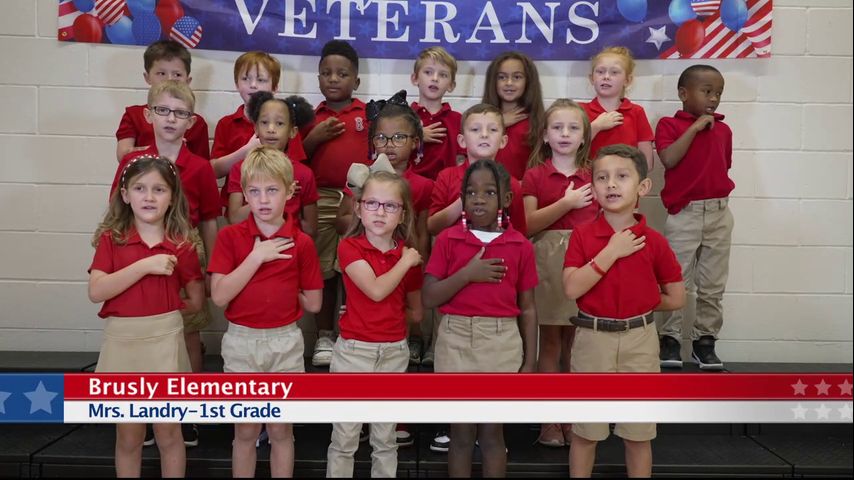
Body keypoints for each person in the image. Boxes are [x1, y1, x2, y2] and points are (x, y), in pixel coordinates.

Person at [562, 144, 685, 478]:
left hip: (639, 342)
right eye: (602, 178)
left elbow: (676, 297)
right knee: (586, 432)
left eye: (621, 177)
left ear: (642, 187)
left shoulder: (654, 241)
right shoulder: (583, 235)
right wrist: (612, 251)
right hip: (592, 340)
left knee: (638, 434)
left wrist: (637, 301)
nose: (611, 184)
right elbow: (572, 287)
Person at [110, 80, 219, 447]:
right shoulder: (132, 161)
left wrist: (212, 268)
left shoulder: (201, 167)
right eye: (163, 110)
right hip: (138, 250)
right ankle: (139, 411)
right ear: (148, 115)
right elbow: (115, 209)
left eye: (181, 113)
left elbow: (209, 220)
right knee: (144, 328)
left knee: (187, 331)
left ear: (191, 121)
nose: (171, 119)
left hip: (185, 251)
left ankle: (185, 411)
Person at [208, 146, 324, 477]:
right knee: (244, 432)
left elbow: (314, 303)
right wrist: (256, 257)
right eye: (254, 191)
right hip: (242, 342)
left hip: (285, 342)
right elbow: (218, 296)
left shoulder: (301, 243)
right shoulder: (231, 237)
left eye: (272, 190)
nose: (262, 199)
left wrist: (289, 293)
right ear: (244, 193)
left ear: (289, 191)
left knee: (280, 432)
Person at [89, 155, 203, 477]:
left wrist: (164, 310)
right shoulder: (112, 239)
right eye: (139, 188)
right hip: (123, 344)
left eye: (159, 189)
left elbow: (195, 299)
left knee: (169, 433)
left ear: (172, 197)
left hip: (164, 342)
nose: (149, 197)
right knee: (129, 436)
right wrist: (145, 267)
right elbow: (97, 291)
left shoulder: (182, 244)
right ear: (125, 194)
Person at [423, 159, 538, 477]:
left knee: (491, 435)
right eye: (470, 192)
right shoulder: (448, 240)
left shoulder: (520, 246)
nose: (478, 199)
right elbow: (430, 296)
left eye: (489, 192)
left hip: (501, 342)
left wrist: (529, 364)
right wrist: (467, 274)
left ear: (506, 200)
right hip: (456, 340)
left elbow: (528, 308)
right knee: (460, 436)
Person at [326, 167, 423, 478]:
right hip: (354, 352)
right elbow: (377, 290)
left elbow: (416, 310)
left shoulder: (406, 255)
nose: (380, 212)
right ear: (359, 208)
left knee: (385, 439)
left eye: (390, 205)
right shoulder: (349, 247)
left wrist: (390, 324)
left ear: (402, 213)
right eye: (372, 203)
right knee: (345, 437)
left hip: (393, 351)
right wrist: (406, 261)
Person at [523, 98, 599, 447]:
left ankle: (572, 416)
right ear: (545, 135)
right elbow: (527, 224)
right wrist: (566, 204)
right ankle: (548, 418)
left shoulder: (595, 173)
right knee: (551, 341)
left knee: (578, 343)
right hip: (549, 261)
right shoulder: (536, 174)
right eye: (557, 127)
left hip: (586, 262)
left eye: (573, 127)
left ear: (585, 136)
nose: (565, 133)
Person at [336, 93, 433, 367]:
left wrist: (414, 256)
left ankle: (413, 341)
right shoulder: (360, 180)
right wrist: (368, 219)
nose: (389, 145)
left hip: (393, 342)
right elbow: (340, 220)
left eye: (399, 137)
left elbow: (423, 232)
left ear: (415, 142)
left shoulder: (423, 186)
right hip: (365, 256)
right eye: (381, 138)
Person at [655, 64, 734, 371]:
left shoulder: (724, 130)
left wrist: (709, 125)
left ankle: (705, 342)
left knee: (713, 284)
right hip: (685, 214)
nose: (713, 98)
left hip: (718, 213)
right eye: (706, 91)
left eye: (718, 93)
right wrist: (695, 127)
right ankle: (670, 339)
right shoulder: (669, 125)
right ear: (683, 94)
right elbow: (669, 159)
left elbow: (722, 168)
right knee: (676, 280)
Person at [299, 39, 370, 367]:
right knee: (325, 270)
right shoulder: (311, 118)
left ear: (355, 81)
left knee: (355, 269)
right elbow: (297, 158)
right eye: (326, 73)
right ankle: (325, 334)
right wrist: (313, 138)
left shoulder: (367, 114)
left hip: (361, 198)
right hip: (323, 199)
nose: (333, 78)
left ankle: (353, 333)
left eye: (342, 73)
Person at [210, 51, 308, 206]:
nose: (253, 85)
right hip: (237, 208)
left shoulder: (287, 124)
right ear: (236, 84)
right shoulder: (226, 124)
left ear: (274, 87)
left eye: (261, 79)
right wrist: (247, 150)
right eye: (245, 78)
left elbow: (296, 169)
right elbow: (215, 171)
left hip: (278, 209)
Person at [225, 91, 318, 238]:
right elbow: (234, 217)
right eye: (264, 122)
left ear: (292, 131)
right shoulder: (240, 169)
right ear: (255, 128)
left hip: (289, 245)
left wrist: (287, 200)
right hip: (249, 244)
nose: (271, 129)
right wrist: (272, 196)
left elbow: (311, 228)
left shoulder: (304, 174)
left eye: (279, 123)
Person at [115, 40, 210, 162]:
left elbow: (201, 166)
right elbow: (123, 155)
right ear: (147, 77)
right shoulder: (133, 115)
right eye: (161, 73)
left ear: (188, 80)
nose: (169, 79)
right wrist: (164, 150)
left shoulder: (197, 123)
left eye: (177, 75)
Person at [581, 46, 654, 171]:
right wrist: (595, 127)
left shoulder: (636, 112)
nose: (606, 77)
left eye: (614, 72)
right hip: (588, 183)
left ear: (627, 80)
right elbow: (570, 151)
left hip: (625, 184)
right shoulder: (580, 111)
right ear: (591, 78)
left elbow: (647, 162)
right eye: (600, 72)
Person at [482, 51, 544, 180]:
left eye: (517, 77)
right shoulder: (477, 121)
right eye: (502, 77)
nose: (509, 83)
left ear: (528, 81)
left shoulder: (537, 122)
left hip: (523, 194)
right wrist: (498, 123)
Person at [409, 46, 462, 180]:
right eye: (428, 72)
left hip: (445, 189)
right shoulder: (403, 116)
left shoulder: (458, 120)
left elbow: (463, 160)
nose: (435, 78)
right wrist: (416, 138)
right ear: (415, 78)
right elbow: (391, 152)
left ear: (451, 85)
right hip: (410, 188)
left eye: (443, 75)